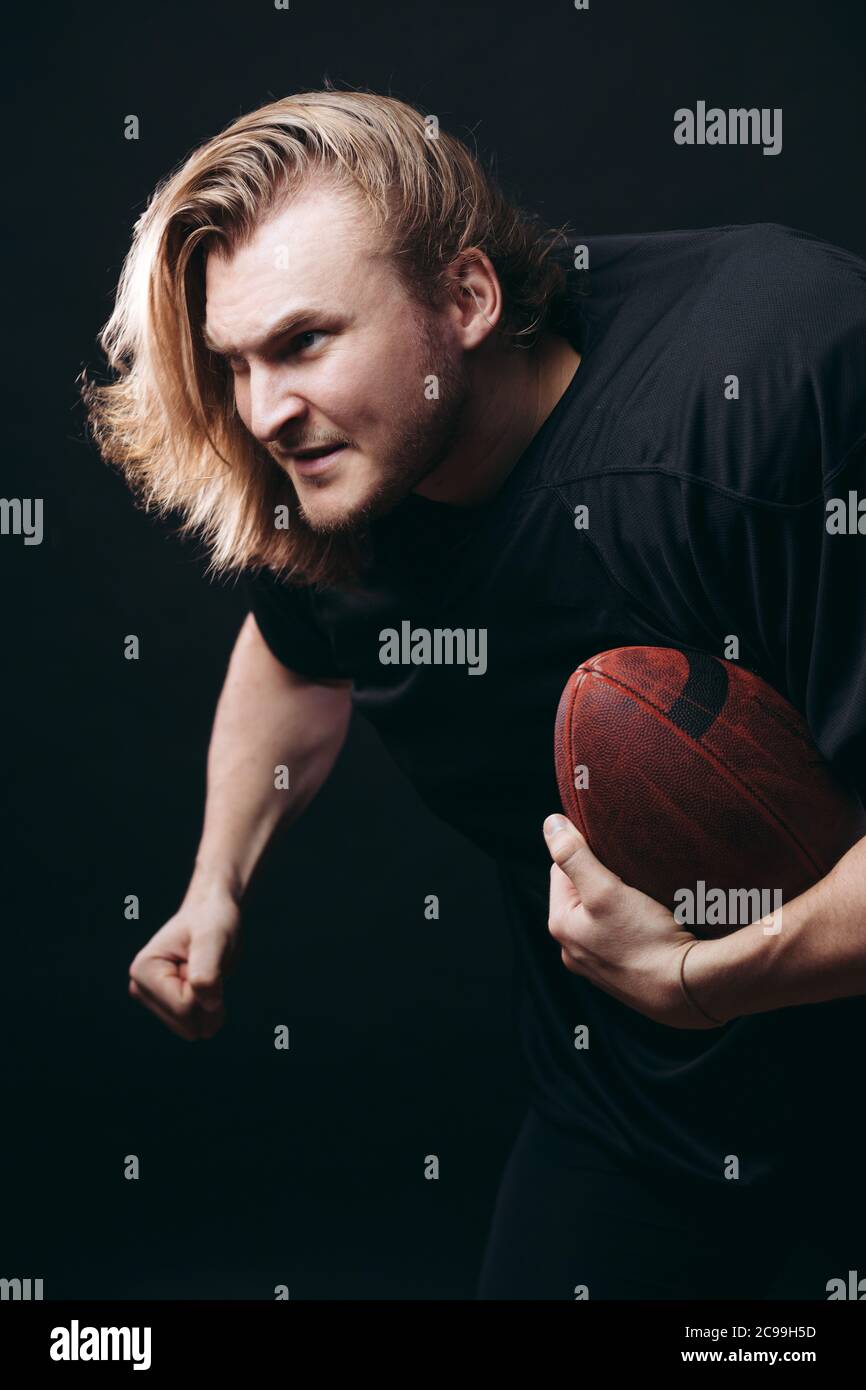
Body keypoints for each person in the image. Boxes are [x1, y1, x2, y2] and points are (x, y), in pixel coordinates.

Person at [84, 86, 866, 1299]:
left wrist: (703, 975)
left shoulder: (770, 395)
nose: (263, 411)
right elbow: (294, 651)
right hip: (629, 1126)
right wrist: (214, 885)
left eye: (302, 342)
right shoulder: (344, 476)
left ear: (465, 299)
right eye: (234, 363)